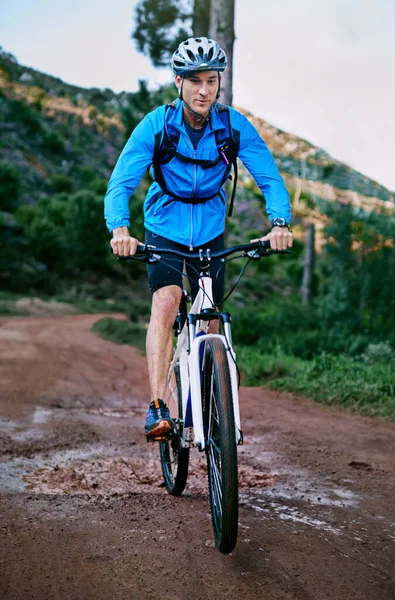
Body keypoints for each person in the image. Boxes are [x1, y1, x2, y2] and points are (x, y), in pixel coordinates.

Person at [104, 36, 293, 441]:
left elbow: (269, 177)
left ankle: (213, 401)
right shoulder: (156, 125)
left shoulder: (233, 126)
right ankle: (157, 407)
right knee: (167, 300)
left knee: (210, 320)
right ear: (178, 82)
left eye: (211, 80)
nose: (204, 89)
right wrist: (120, 230)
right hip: (165, 227)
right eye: (195, 80)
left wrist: (280, 223)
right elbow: (120, 183)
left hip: (210, 230)